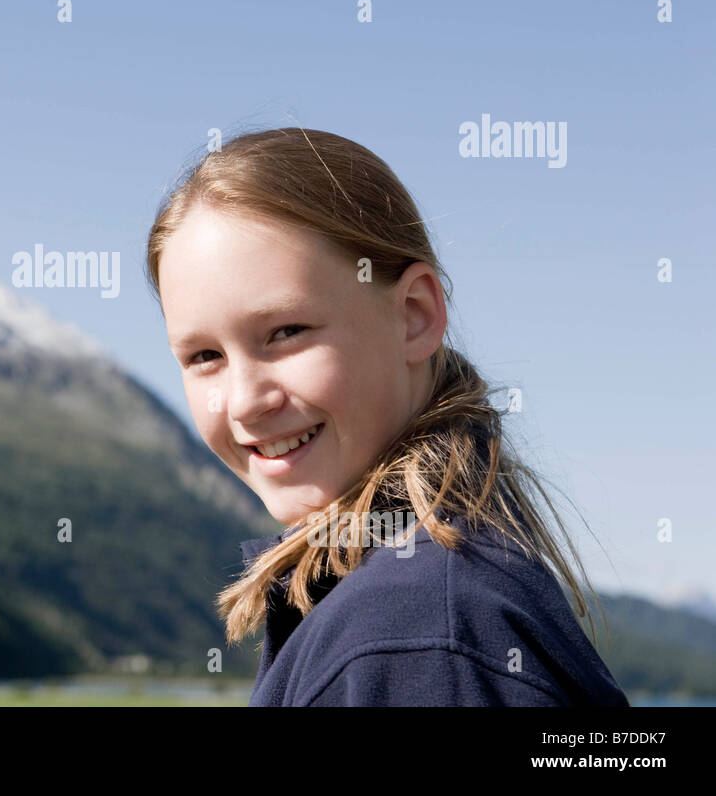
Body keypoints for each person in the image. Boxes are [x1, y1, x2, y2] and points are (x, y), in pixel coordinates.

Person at [144, 127, 629, 706]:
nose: (245, 401)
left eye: (286, 332)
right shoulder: (419, 603)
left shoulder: (414, 641)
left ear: (415, 316)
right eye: (204, 357)